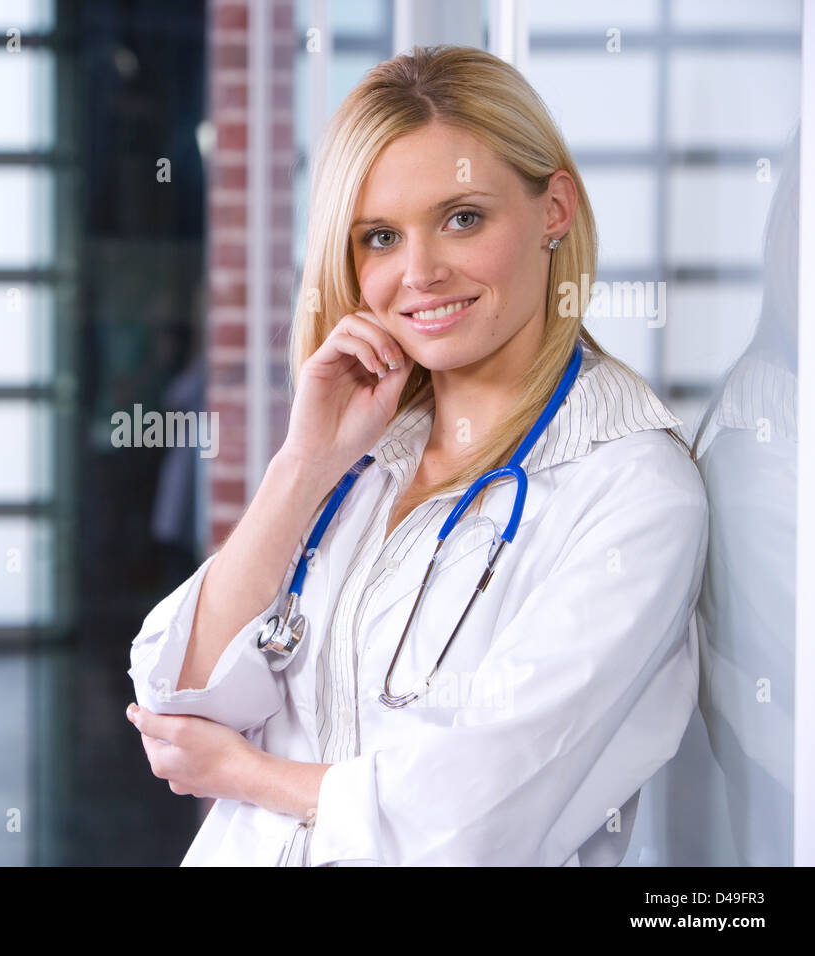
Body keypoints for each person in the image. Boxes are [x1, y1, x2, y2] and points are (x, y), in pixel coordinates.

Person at [123, 45, 709, 866]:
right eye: (380, 237)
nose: (420, 273)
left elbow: (472, 817)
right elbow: (174, 693)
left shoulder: (632, 493)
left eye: (462, 217)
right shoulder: (360, 457)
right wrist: (302, 466)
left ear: (555, 210)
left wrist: (252, 774)